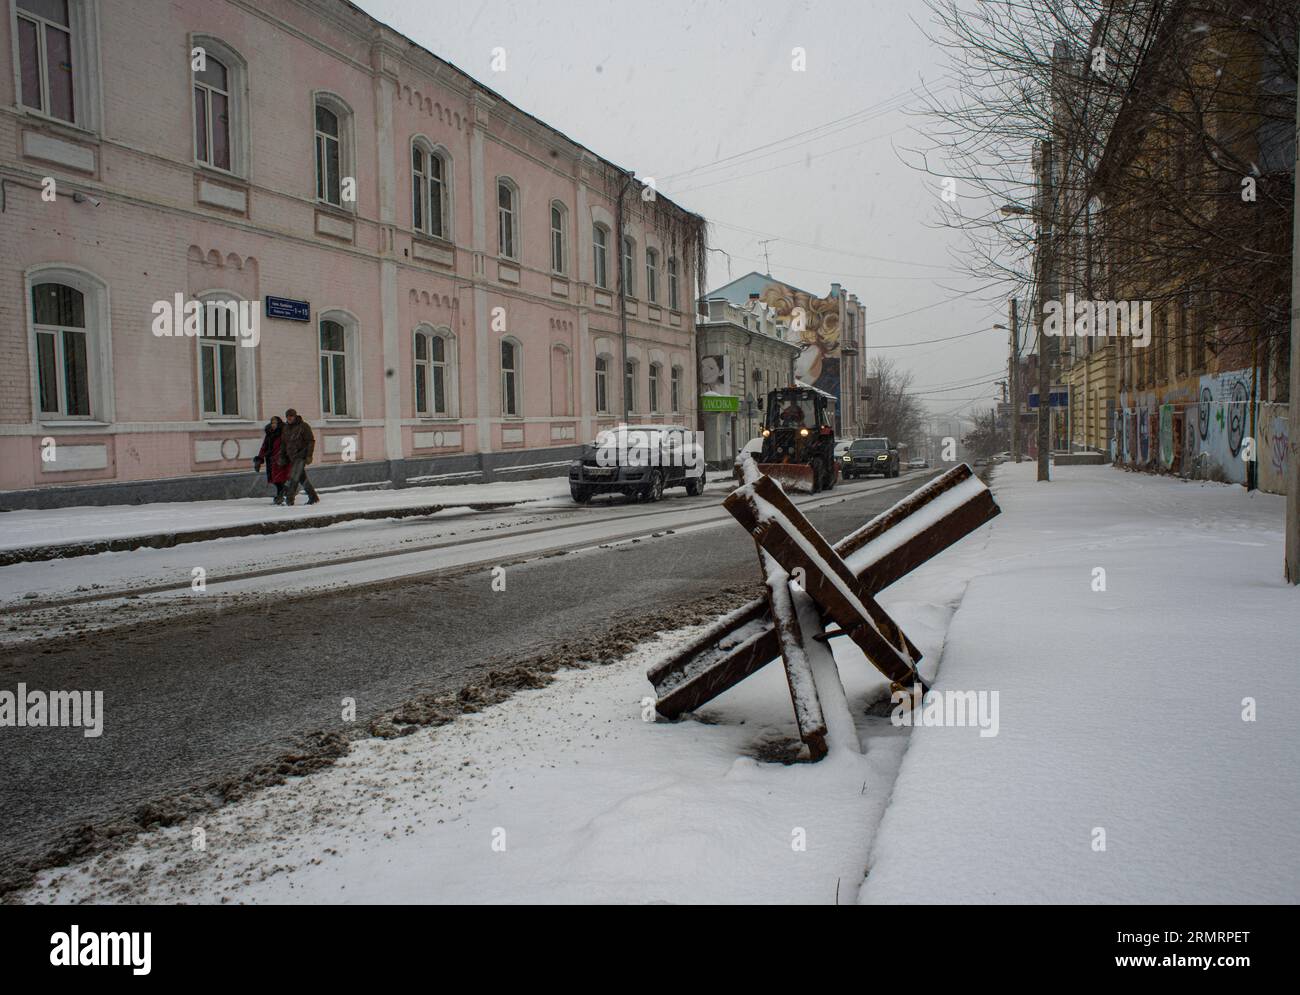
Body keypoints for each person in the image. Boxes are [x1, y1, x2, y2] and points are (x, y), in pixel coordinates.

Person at [280, 408, 320, 506]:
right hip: (291, 457)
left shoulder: (303, 426)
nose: (289, 418)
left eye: (291, 416)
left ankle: (289, 500)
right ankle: (313, 497)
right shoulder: (286, 428)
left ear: (295, 416)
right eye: (288, 416)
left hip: (301, 455)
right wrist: (282, 456)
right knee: (302, 478)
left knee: (294, 477)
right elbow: (283, 444)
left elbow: (310, 441)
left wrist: (309, 455)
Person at [252, 415, 291, 504]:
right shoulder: (269, 433)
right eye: (272, 423)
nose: (273, 425)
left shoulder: (284, 433)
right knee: (274, 480)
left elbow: (289, 446)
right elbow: (264, 447)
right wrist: (259, 459)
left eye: (275, 423)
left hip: (280, 460)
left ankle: (279, 497)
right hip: (270, 460)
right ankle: (286, 491)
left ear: (279, 424)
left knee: (279, 479)